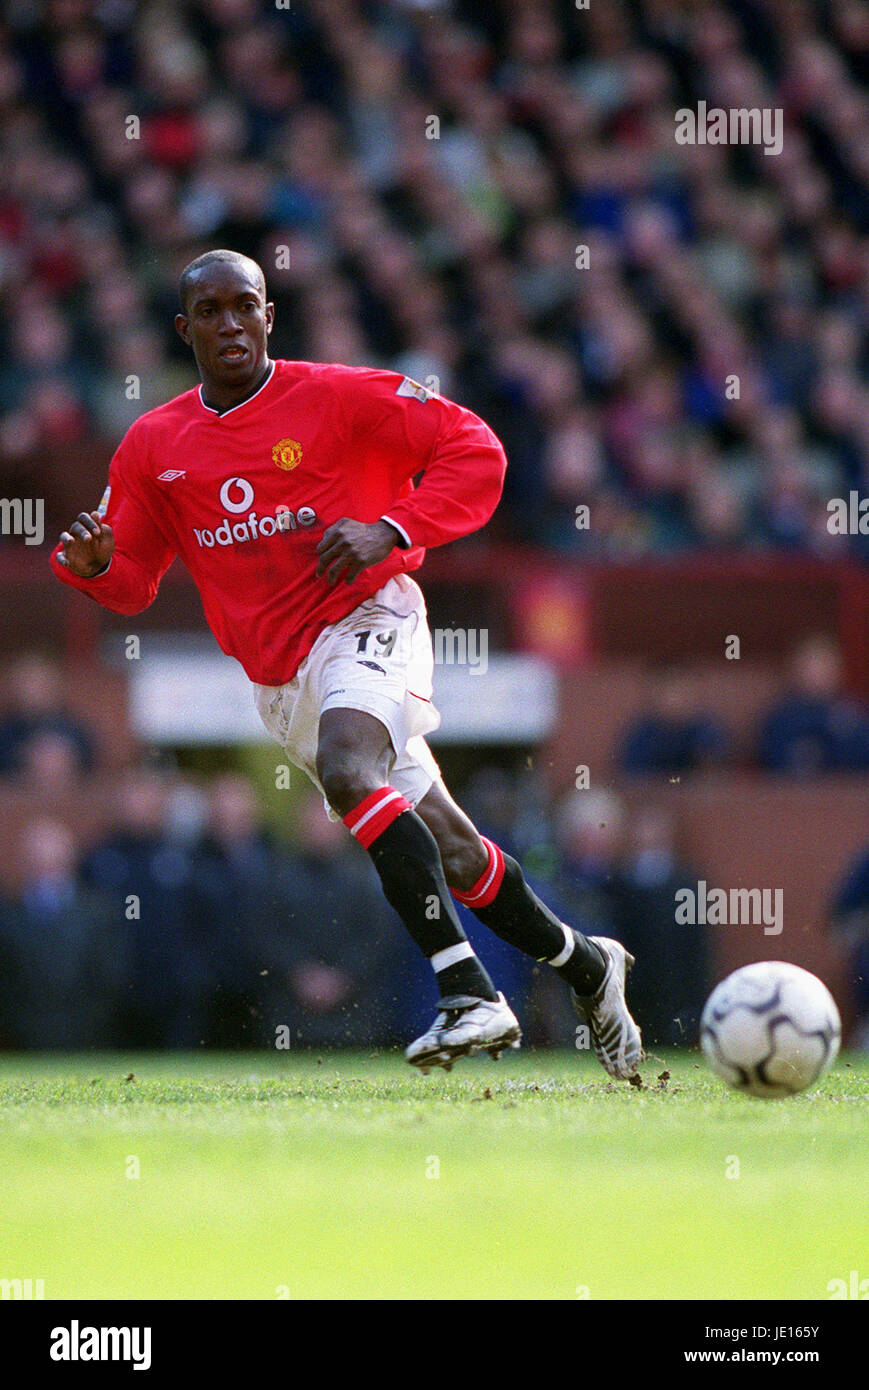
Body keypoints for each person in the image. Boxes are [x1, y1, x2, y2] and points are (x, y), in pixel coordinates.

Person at [51, 248, 642, 1079]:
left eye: (245, 306)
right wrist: (93, 569)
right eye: (211, 311)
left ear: (268, 315)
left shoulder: (338, 394)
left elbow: (477, 453)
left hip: (370, 612)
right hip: (280, 677)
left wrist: (395, 529)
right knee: (455, 847)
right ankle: (588, 966)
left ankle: (467, 992)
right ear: (184, 329)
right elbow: (134, 582)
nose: (230, 324)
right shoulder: (155, 445)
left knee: (346, 768)